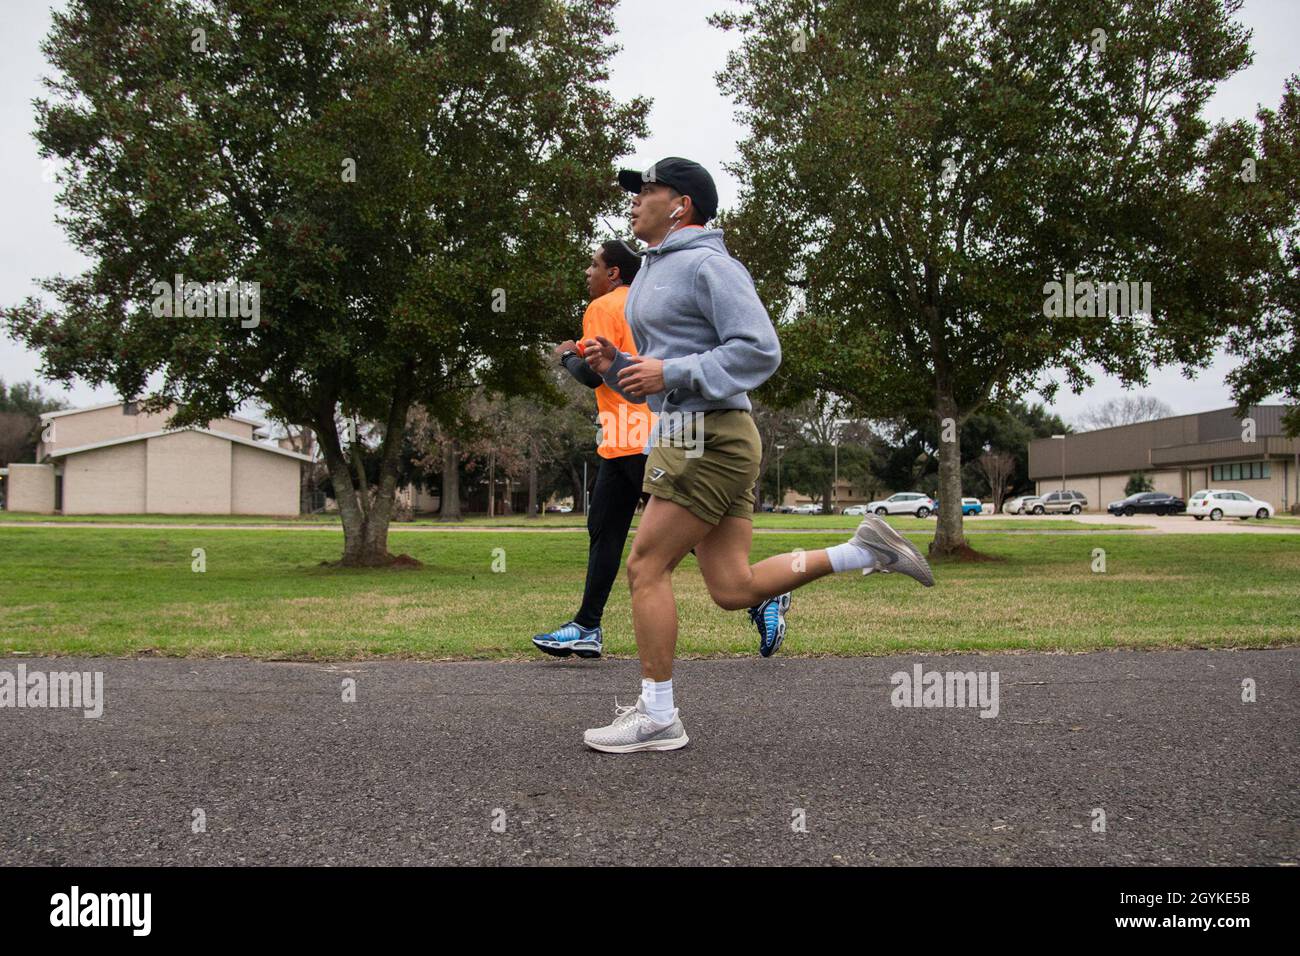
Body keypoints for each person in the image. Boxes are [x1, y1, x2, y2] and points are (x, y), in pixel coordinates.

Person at [578, 157, 934, 754]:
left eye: (648, 190)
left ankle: (659, 715)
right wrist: (617, 366)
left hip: (706, 436)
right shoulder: (655, 272)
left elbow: (759, 350)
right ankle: (861, 550)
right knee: (733, 588)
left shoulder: (710, 264)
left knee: (644, 567)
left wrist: (673, 369)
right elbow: (668, 371)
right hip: (705, 431)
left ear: (681, 204)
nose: (635, 201)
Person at [534, 239, 793, 659]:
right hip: (634, 436)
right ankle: (587, 625)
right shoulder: (646, 300)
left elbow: (592, 376)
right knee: (606, 529)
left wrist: (566, 356)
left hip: (641, 435)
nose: (588, 272)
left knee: (665, 540)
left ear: (613, 272)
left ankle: (759, 595)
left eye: (593, 264)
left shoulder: (603, 307)